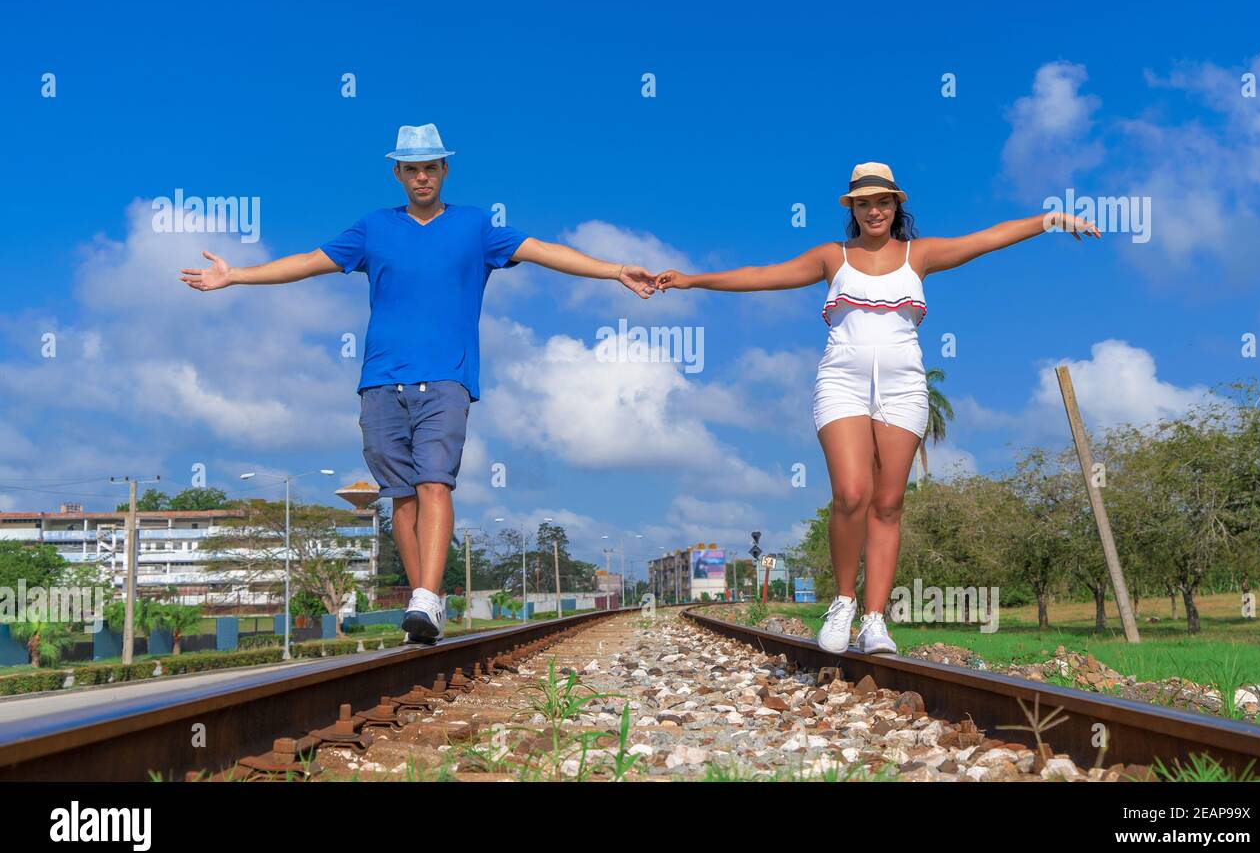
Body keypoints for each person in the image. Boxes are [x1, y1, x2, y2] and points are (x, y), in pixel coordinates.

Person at [181, 123, 657, 644]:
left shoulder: (476, 227)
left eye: (431, 166)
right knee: (401, 497)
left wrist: (614, 270)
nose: (423, 176)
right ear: (399, 174)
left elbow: (545, 250)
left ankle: (428, 599)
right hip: (381, 383)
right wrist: (236, 275)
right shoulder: (373, 229)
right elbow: (308, 263)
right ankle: (422, 604)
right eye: (412, 168)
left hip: (447, 381)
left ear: (445, 170)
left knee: (435, 482)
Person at [654, 162, 1099, 654]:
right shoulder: (832, 257)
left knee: (888, 504)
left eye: (882, 201)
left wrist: (1051, 220)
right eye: (864, 202)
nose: (874, 210)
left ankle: (874, 620)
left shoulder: (919, 255)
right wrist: (691, 280)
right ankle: (843, 603)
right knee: (850, 493)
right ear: (853, 209)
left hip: (905, 388)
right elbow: (763, 276)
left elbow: (989, 237)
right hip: (841, 383)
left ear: (895, 206)